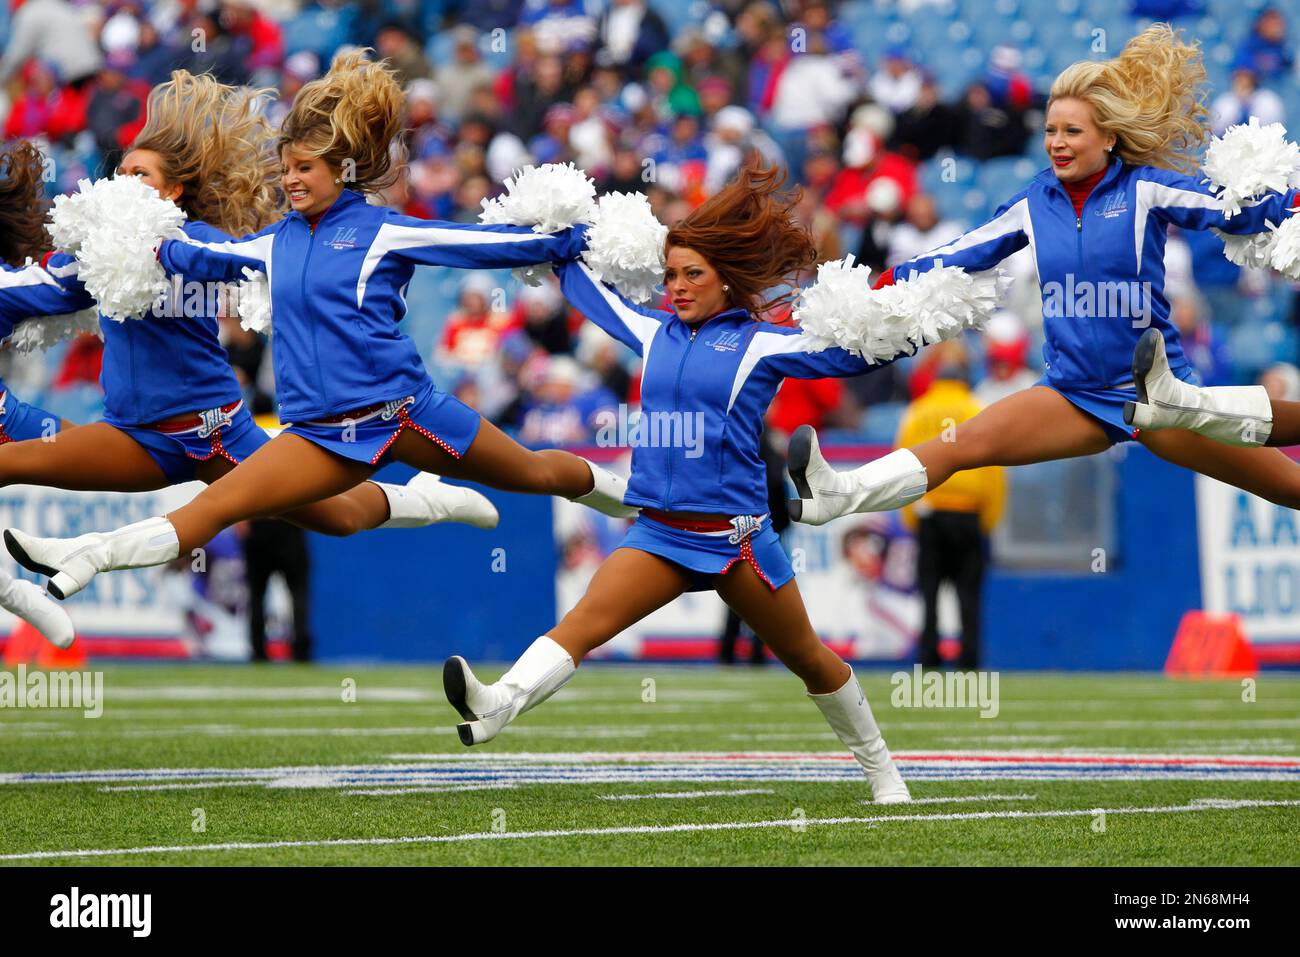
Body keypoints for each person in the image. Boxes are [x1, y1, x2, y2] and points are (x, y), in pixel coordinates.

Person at [4, 52, 636, 602]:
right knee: (239, 510)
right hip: (323, 434)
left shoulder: (381, 229)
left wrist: (571, 237)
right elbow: (195, 255)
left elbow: (476, 243)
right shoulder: (270, 245)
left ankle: (631, 500)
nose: (290, 180)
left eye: (305, 167)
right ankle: (89, 554)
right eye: (285, 167)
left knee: (535, 474)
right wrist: (150, 245)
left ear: (343, 171)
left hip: (410, 411)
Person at [441, 163, 914, 803]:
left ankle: (882, 768)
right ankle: (498, 703)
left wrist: (904, 312)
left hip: (738, 540)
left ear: (727, 279)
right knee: (580, 624)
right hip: (660, 535)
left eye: (693, 274)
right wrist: (551, 235)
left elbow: (855, 352)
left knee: (809, 658)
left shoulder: (761, 345)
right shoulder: (650, 331)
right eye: (670, 275)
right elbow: (583, 289)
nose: (678, 287)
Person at [784, 25, 1300, 532]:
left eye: (1072, 132)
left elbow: (1229, 210)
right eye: (1051, 131)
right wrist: (887, 281)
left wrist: (1290, 204)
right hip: (1072, 394)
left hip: (1156, 398)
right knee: (961, 445)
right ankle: (839, 494)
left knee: (1289, 487)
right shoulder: (1036, 200)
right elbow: (963, 252)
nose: (1057, 143)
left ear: (1108, 137)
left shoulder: (1145, 189)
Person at [895, 342, 1004, 671]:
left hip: (931, 513)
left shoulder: (917, 411)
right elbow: (994, 470)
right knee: (968, 596)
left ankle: (929, 658)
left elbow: (901, 466)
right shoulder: (976, 409)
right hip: (969, 514)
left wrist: (913, 517)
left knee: (929, 594)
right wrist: (988, 519)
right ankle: (970, 661)